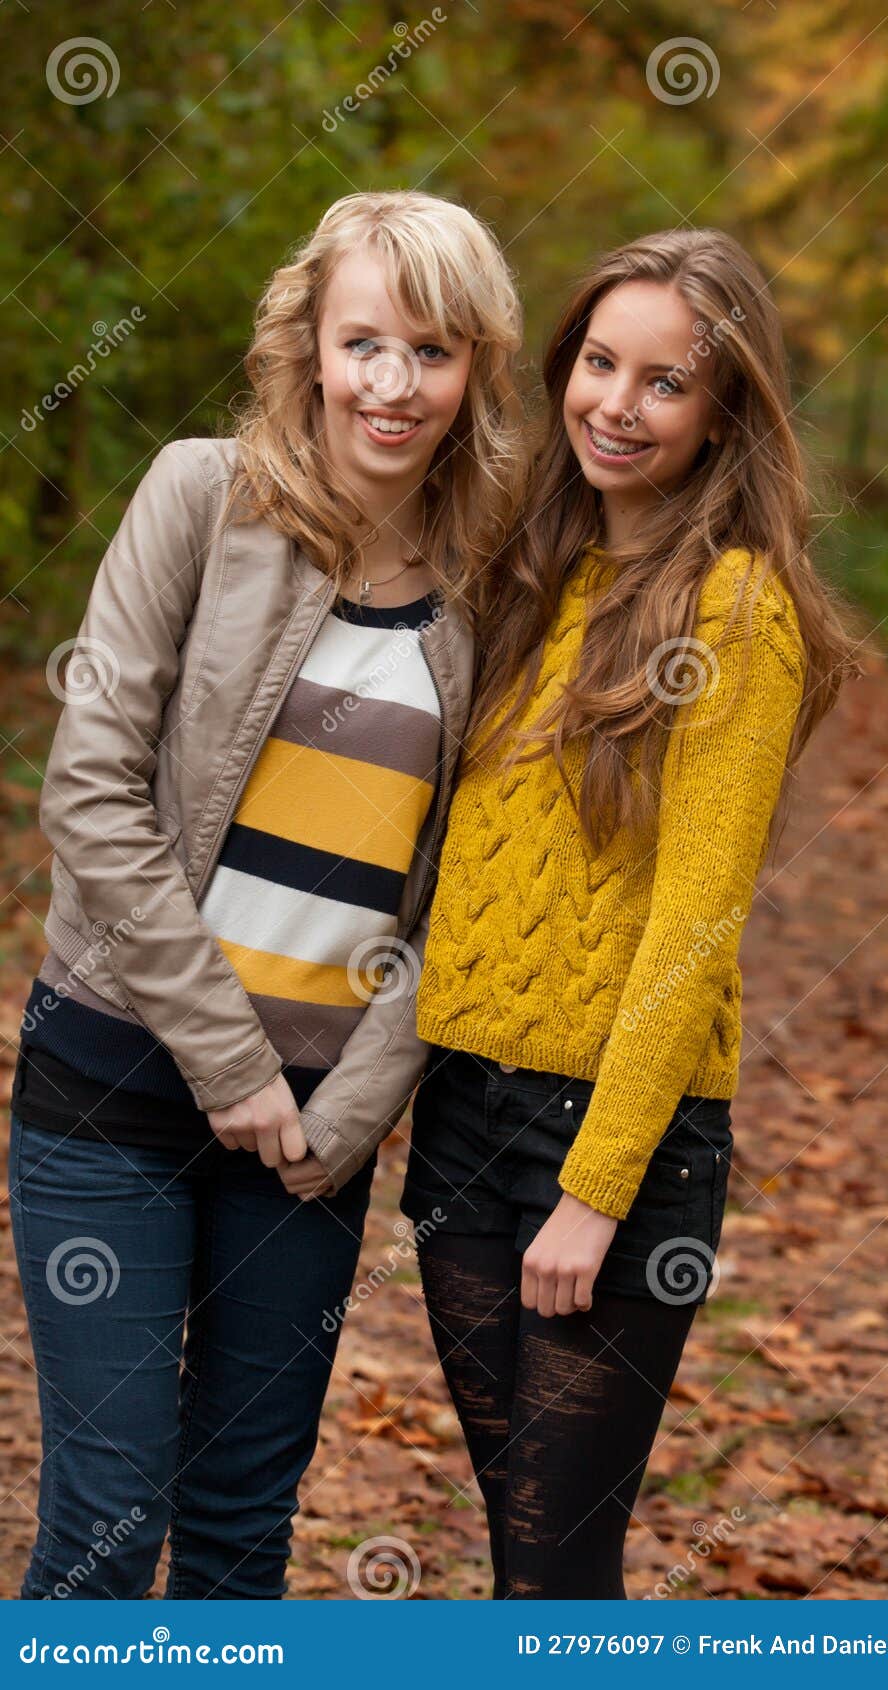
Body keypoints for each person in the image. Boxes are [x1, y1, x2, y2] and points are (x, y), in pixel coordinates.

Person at [8, 189, 523, 1599]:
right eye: (365, 341)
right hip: (111, 1090)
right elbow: (91, 798)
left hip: (309, 1142)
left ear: (476, 367)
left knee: (242, 1535)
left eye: (433, 350)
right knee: (109, 1523)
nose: (393, 384)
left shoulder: (491, 581)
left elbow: (469, 892)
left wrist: (351, 1109)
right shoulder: (199, 493)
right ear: (307, 339)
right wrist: (233, 1064)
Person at [400, 227, 861, 1598]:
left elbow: (695, 923)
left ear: (726, 413)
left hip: (615, 1143)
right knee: (523, 1547)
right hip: (465, 1118)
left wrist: (596, 1193)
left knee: (556, 1563)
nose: (616, 402)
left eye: (666, 382)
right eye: (600, 362)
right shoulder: (530, 574)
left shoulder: (738, 611)